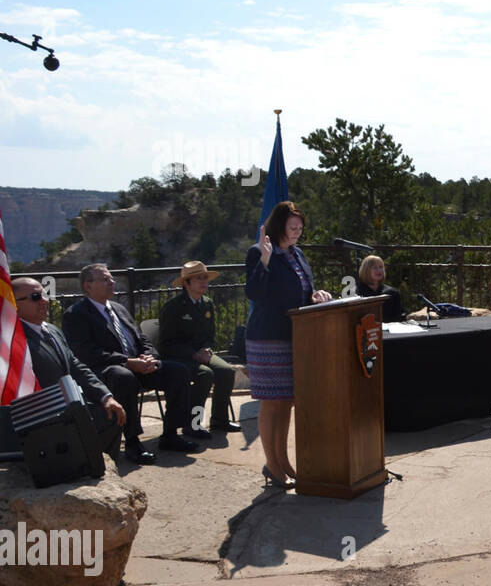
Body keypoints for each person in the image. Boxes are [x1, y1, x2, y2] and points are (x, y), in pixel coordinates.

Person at [63, 263, 200, 463]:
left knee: (178, 371)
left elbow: (141, 338)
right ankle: (133, 441)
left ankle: (171, 434)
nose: (112, 282)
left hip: (138, 364)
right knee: (124, 377)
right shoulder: (76, 314)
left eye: (111, 278)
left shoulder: (118, 308)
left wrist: (148, 356)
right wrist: (128, 362)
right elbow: (86, 353)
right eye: (105, 279)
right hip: (108, 369)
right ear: (88, 286)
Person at [245, 201, 332, 488]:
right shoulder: (259, 252)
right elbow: (254, 292)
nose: (297, 232)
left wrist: (316, 295)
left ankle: (282, 462)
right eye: (292, 227)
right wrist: (266, 260)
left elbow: (302, 290)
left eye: (300, 228)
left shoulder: (298, 254)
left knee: (286, 403)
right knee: (272, 403)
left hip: (296, 335)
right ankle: (273, 464)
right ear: (279, 225)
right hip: (268, 337)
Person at [10, 277, 126, 455]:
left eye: (44, 294)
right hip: (45, 416)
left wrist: (105, 396)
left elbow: (75, 366)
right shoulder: (14, 341)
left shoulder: (52, 330)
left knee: (112, 414)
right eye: (35, 297)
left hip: (71, 405)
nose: (44, 301)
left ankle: (98, 468)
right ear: (14, 305)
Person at [158, 260, 240, 436]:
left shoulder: (207, 303)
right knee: (205, 374)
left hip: (201, 353)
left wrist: (206, 349)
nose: (204, 282)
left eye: (205, 278)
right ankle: (193, 424)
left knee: (227, 371)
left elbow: (210, 335)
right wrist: (194, 354)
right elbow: (166, 343)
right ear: (186, 283)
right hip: (179, 356)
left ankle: (219, 420)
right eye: (198, 279)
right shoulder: (174, 307)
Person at [355, 255, 405, 323]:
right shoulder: (356, 292)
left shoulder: (392, 292)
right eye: (375, 268)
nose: (379, 270)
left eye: (381, 267)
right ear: (366, 270)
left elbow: (399, 316)